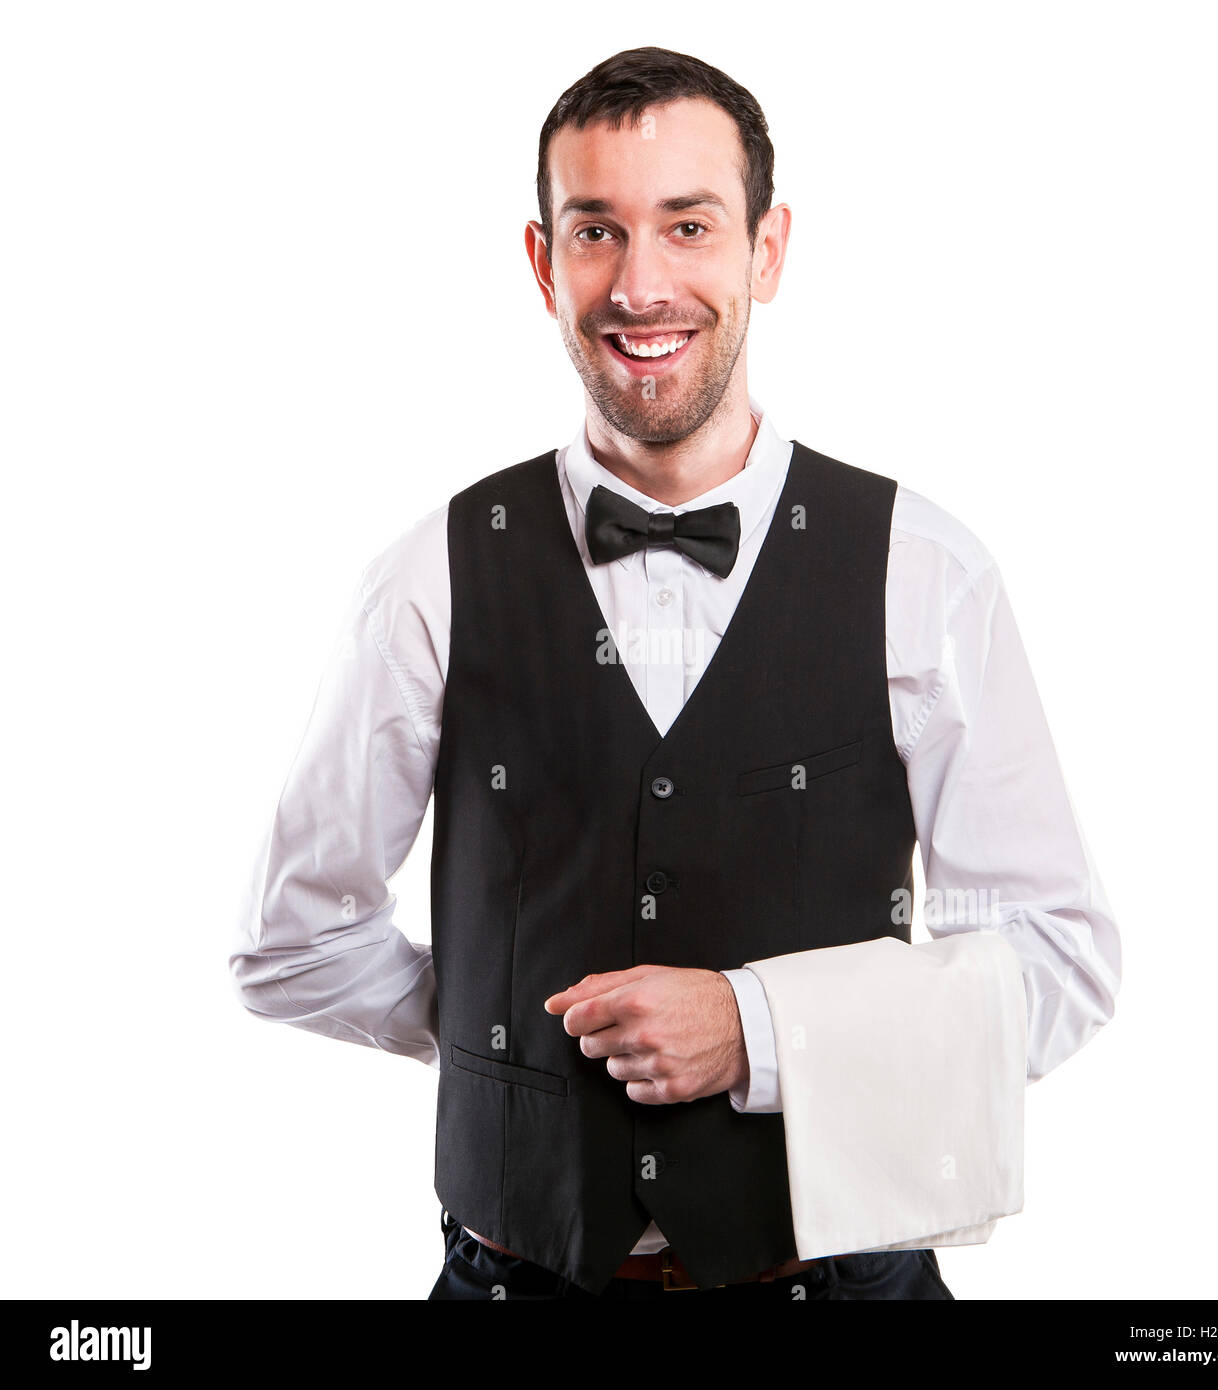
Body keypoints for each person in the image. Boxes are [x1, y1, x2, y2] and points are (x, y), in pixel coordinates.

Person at [231, 46, 1121, 1301]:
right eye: (596, 231)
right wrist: (512, 1047)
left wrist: (762, 1032)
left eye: (688, 226)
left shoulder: (925, 574)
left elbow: (1060, 959)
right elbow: (290, 941)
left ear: (766, 249)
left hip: (839, 1276)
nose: (641, 285)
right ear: (543, 263)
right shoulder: (426, 577)